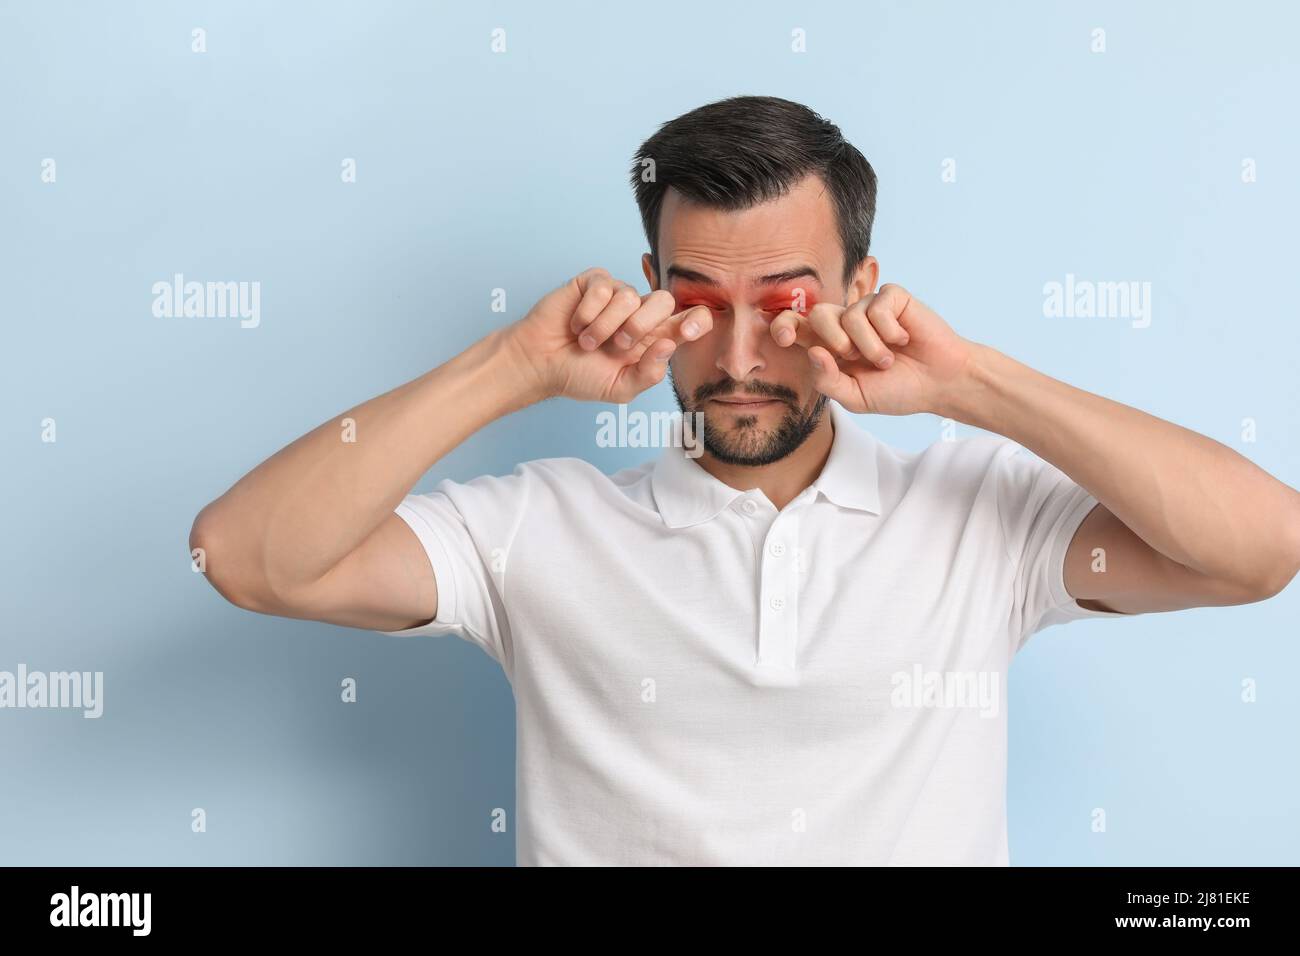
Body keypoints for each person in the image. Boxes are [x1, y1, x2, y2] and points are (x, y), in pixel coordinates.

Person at [190, 95, 1300, 865]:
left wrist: (972, 383)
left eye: (779, 306)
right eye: (695, 304)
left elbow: (1262, 546)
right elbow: (240, 555)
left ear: (860, 286)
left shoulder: (984, 523)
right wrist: (512, 366)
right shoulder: (534, 529)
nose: (733, 362)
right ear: (648, 292)